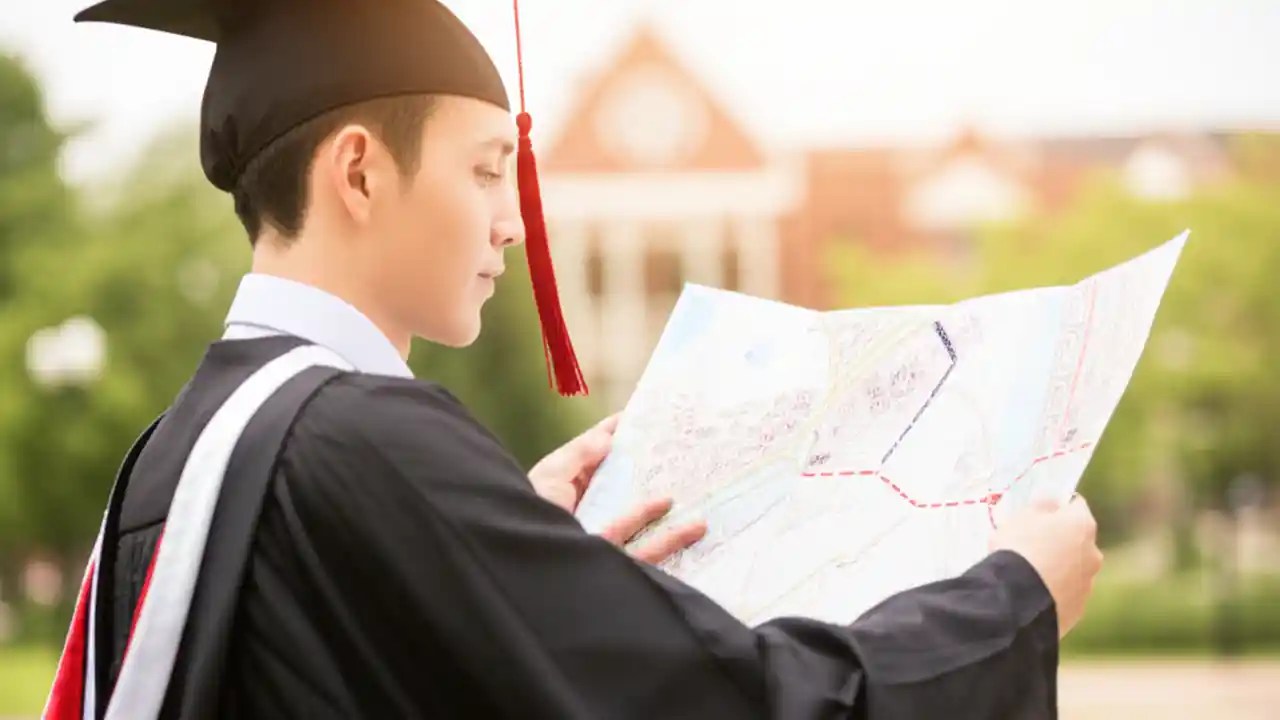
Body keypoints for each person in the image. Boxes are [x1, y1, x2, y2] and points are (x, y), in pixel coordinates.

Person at [46, 0, 1104, 718]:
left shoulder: (191, 439)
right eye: (484, 170)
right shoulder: (365, 439)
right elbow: (718, 702)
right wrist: (1009, 603)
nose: (510, 222)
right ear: (359, 175)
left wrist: (499, 546)